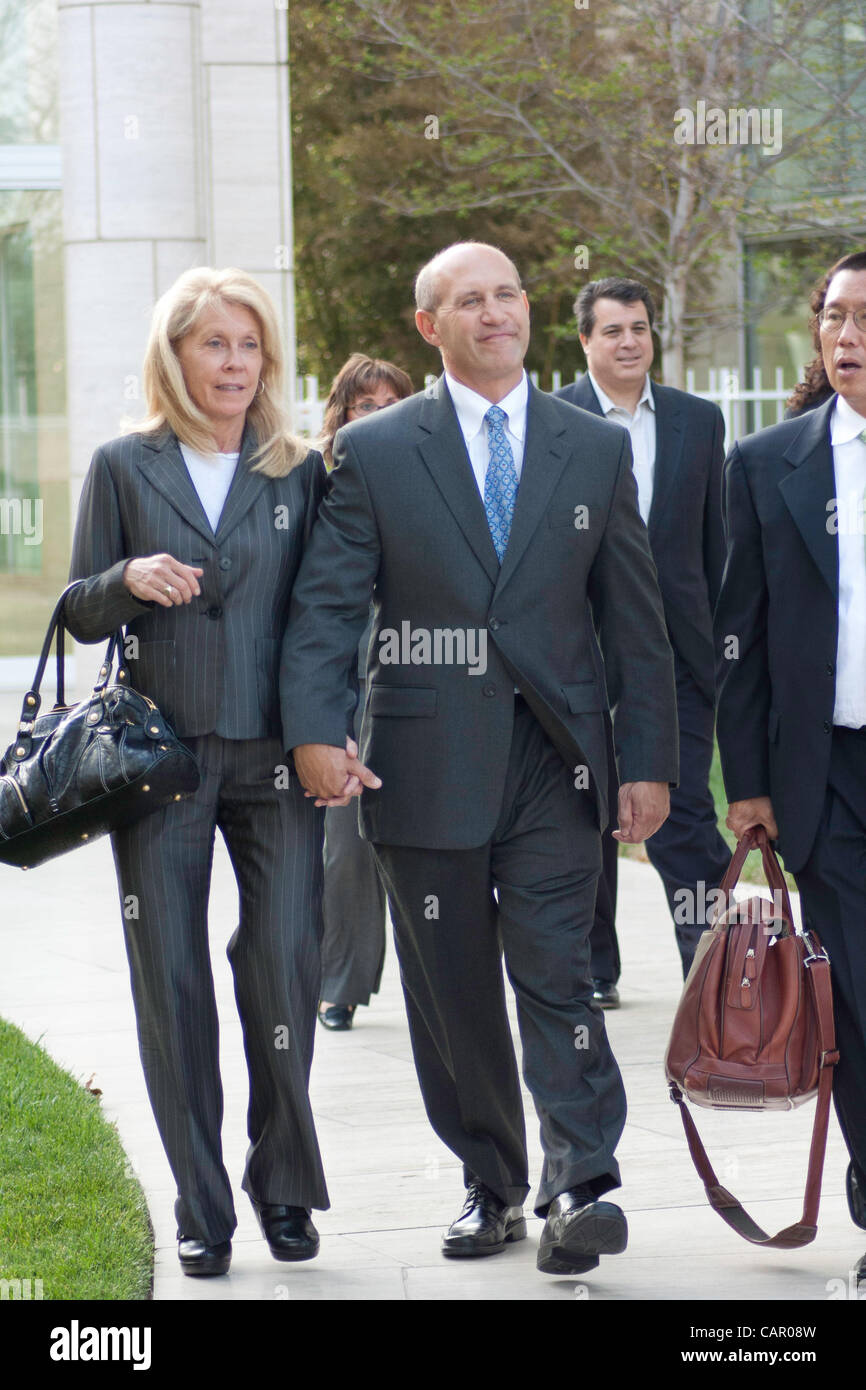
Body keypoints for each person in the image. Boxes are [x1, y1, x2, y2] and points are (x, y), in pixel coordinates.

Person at [281, 241, 678, 1278]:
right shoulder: (372, 452)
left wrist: (647, 755)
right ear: (430, 326)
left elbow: (633, 617)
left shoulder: (590, 448)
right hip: (422, 762)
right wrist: (316, 731)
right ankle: (491, 1182)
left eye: (506, 294)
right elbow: (330, 603)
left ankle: (581, 1180)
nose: (493, 311)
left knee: (557, 972)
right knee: (452, 993)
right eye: (468, 299)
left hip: (559, 762)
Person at [65, 266, 329, 1277]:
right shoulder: (125, 466)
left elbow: (326, 615)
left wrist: (329, 732)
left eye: (247, 344)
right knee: (169, 979)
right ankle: (202, 1204)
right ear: (174, 356)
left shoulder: (296, 469)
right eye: (211, 343)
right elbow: (83, 609)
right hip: (157, 764)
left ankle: (286, 1188)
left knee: (284, 968)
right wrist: (124, 579)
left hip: (276, 756)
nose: (232, 363)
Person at [714, 249, 866, 1287]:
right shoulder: (767, 464)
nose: (846, 335)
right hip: (830, 778)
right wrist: (750, 787)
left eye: (865, 317)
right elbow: (740, 641)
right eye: (834, 316)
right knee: (853, 997)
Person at [557, 277, 730, 998]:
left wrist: (722, 645)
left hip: (679, 658)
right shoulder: (552, 419)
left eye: (639, 328)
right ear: (585, 341)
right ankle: (597, 966)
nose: (630, 341)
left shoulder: (699, 419)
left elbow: (716, 541)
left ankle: (716, 975)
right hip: (577, 656)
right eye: (613, 331)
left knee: (684, 816)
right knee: (584, 813)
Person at [315, 354, 413, 1031]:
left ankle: (439, 983)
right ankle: (340, 983)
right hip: (346, 687)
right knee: (345, 846)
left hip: (423, 681)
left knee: (428, 847)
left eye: (389, 403)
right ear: (342, 414)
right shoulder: (316, 483)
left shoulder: (435, 480)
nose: (374, 415)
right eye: (361, 404)